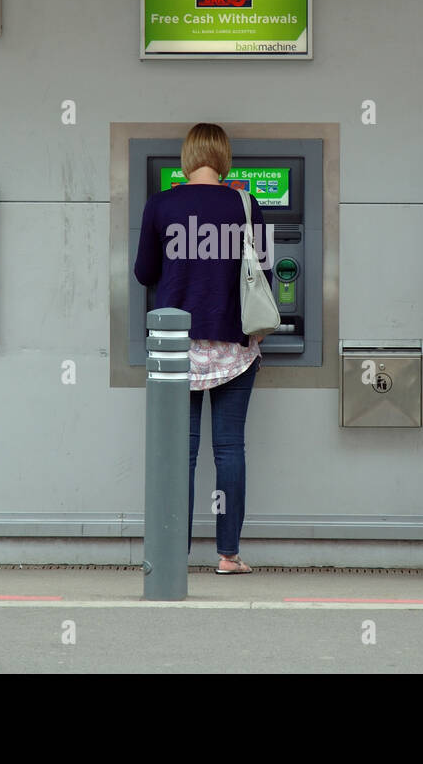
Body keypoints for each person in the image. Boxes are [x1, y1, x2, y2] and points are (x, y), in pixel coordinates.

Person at [134, 123, 273, 575]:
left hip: (178, 346)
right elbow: (264, 275)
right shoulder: (247, 205)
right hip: (234, 342)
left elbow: (143, 272)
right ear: (224, 157)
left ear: (187, 157)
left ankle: (174, 552)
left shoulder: (162, 204)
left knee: (181, 450)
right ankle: (228, 555)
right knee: (230, 448)